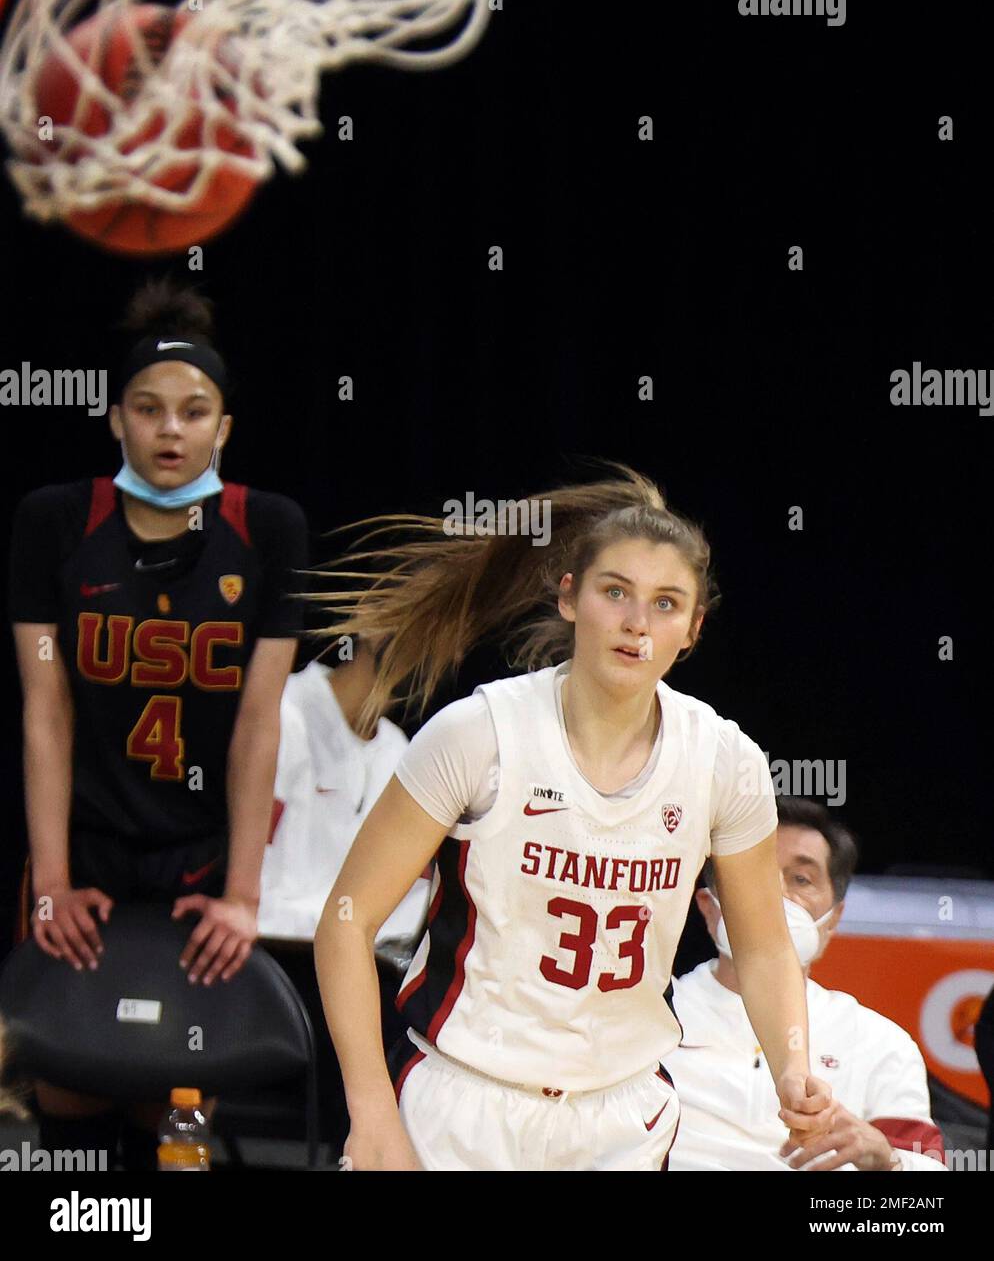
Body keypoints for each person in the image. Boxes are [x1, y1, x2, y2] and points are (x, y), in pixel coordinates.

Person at [314, 464, 836, 1171]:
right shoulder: (479, 734)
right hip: (461, 1101)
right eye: (615, 592)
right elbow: (346, 922)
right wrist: (371, 1108)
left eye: (665, 604)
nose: (636, 623)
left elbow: (766, 946)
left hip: (621, 1117)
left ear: (693, 629)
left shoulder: (725, 762)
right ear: (569, 596)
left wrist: (791, 1068)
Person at [8, 278, 307, 1169]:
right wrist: (51, 880)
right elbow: (46, 709)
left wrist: (243, 894)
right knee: (69, 1086)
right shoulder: (56, 521)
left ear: (224, 427)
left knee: (177, 1105)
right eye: (148, 408)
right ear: (116, 420)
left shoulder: (267, 529)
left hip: (196, 861)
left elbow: (258, 723)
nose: (170, 430)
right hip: (85, 850)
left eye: (193, 411)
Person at [665, 798, 947, 1171]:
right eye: (756, 873)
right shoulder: (651, 1015)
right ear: (708, 905)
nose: (777, 895)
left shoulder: (880, 1042)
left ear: (835, 919)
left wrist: (886, 1157)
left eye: (801, 879)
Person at [258, 640, 429, 949]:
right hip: (267, 952)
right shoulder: (280, 710)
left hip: (359, 960)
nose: (438, 645)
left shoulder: (402, 754)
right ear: (368, 618)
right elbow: (254, 889)